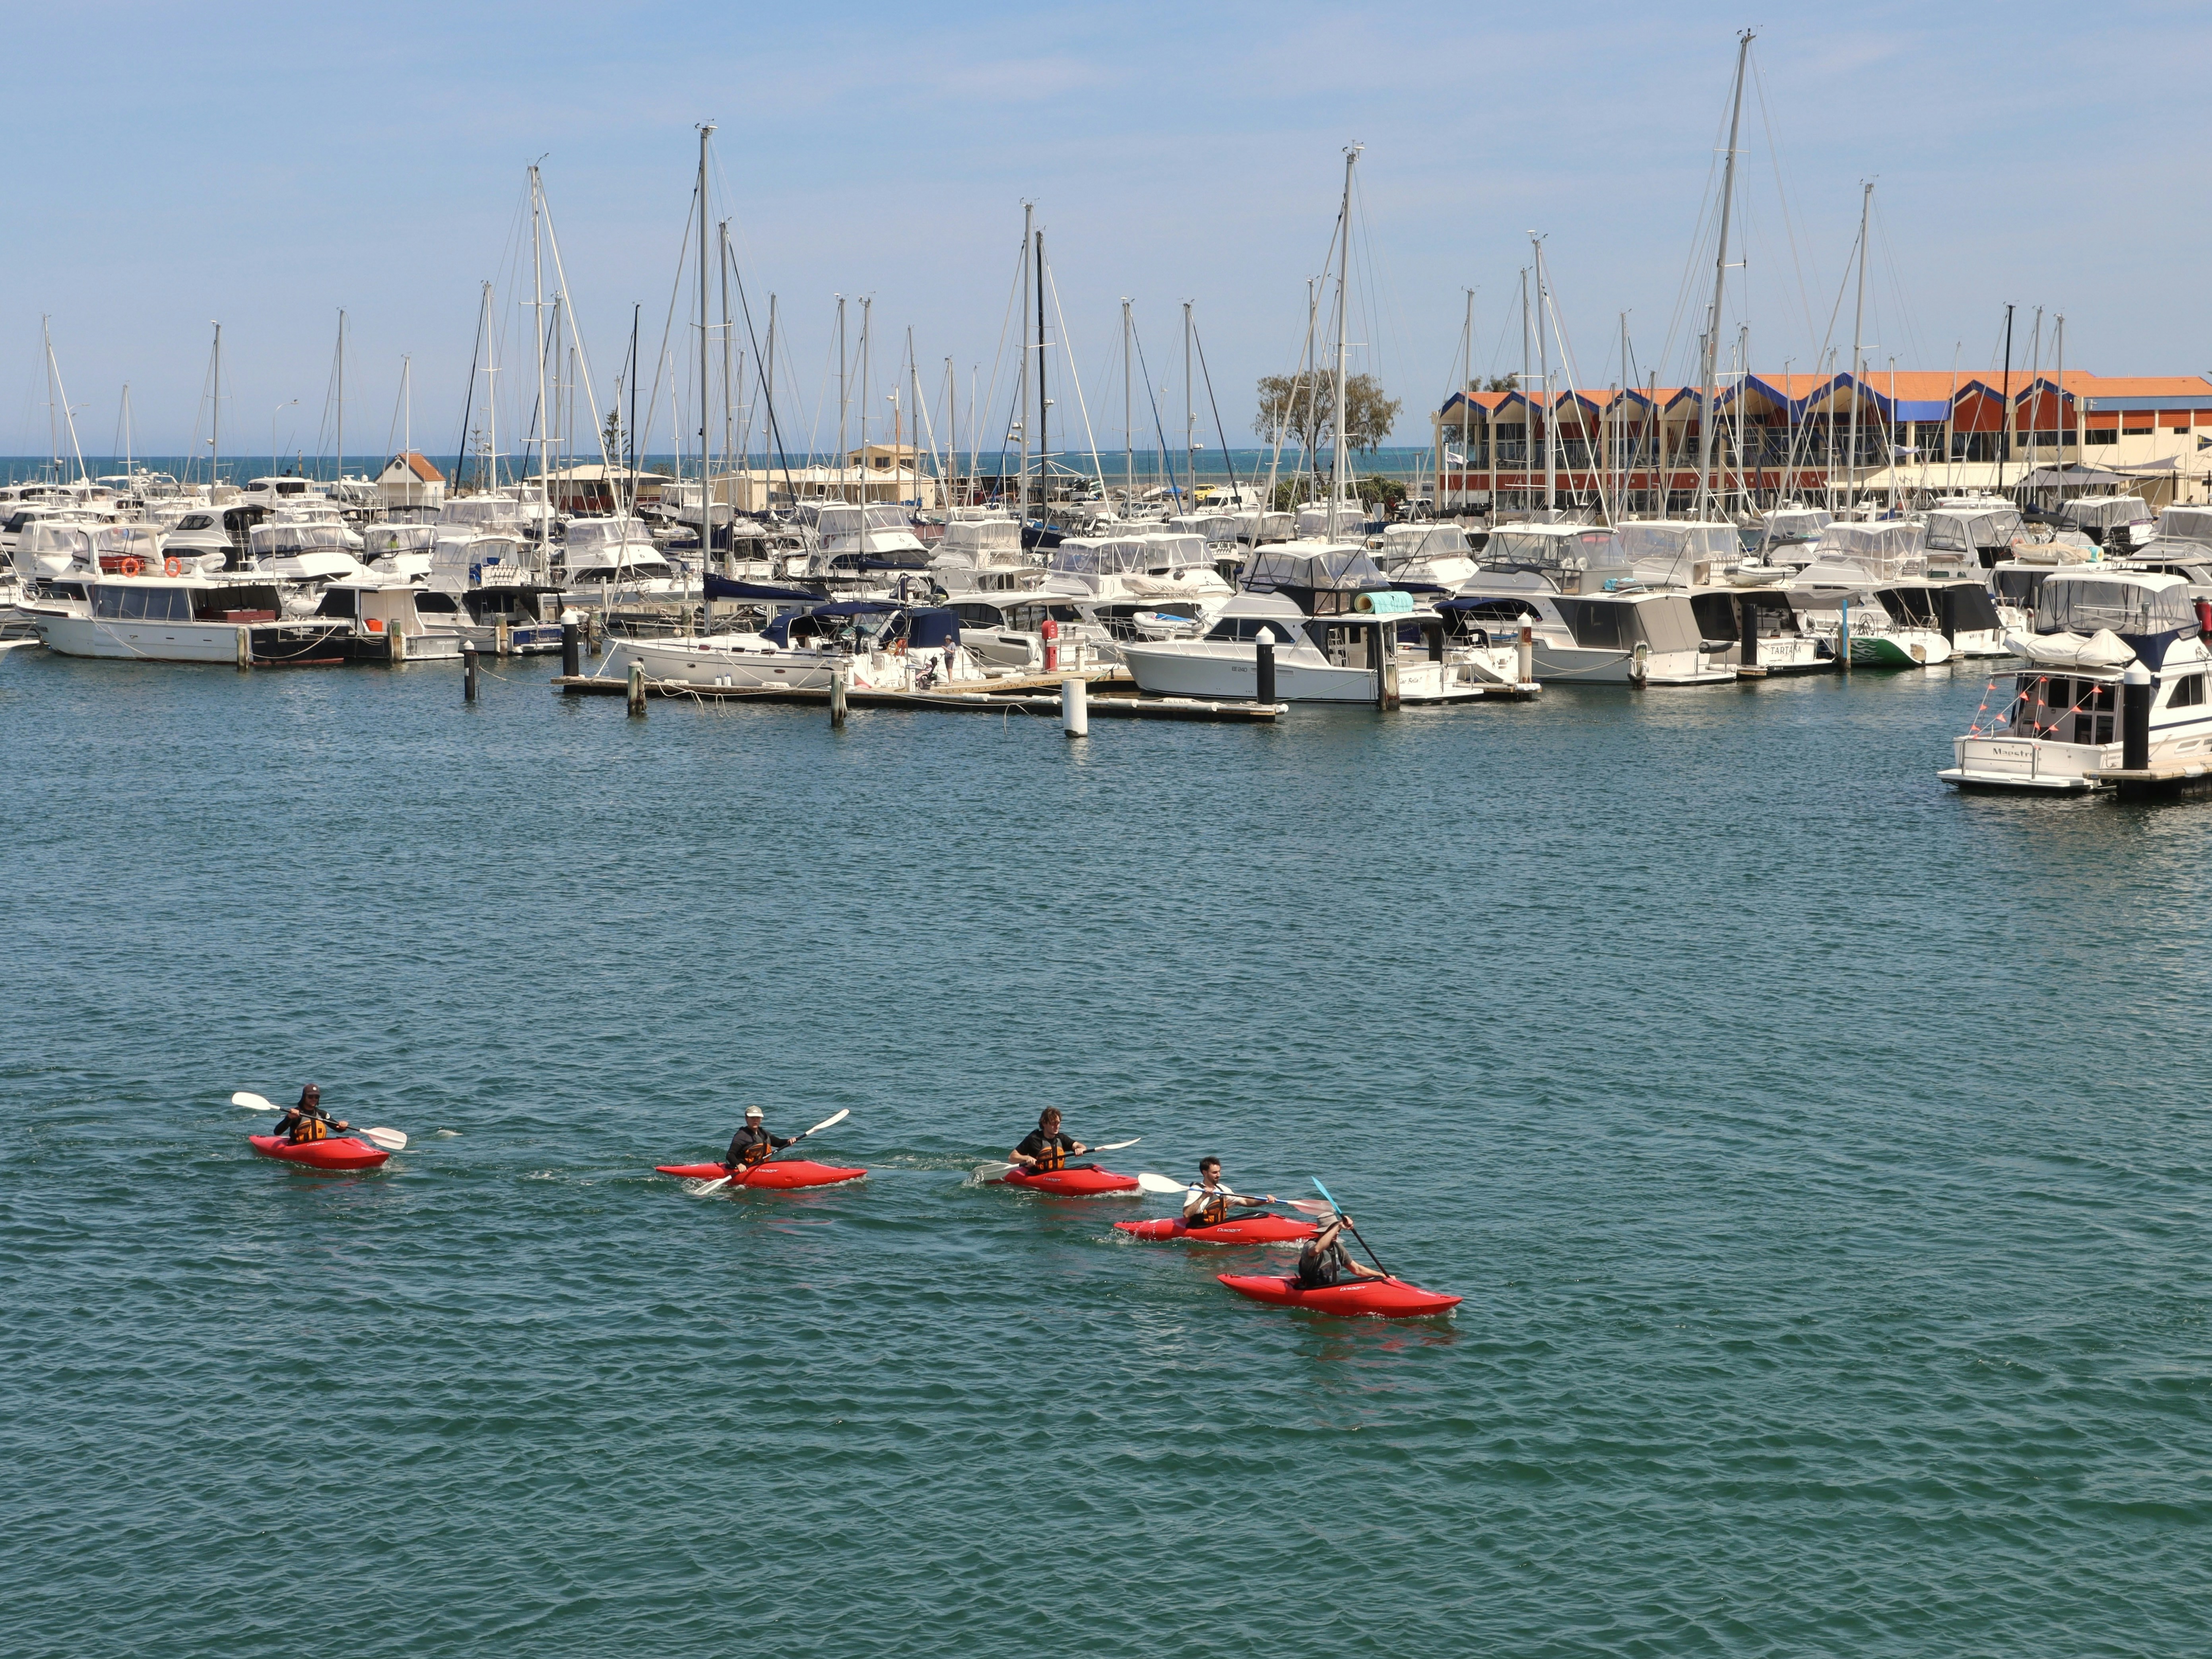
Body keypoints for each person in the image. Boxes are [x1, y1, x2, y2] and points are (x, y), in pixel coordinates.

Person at [1293, 1215, 1388, 1290]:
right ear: (1323, 1232)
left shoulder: (1338, 1248)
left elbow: (1357, 1269)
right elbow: (1317, 1250)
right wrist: (1338, 1225)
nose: (1338, 1233)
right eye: (1334, 1230)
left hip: (1331, 1290)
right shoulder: (1310, 1245)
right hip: (1311, 1289)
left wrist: (1383, 1276)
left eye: (1339, 1230)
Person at [1184, 1157, 1275, 1229]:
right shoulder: (1196, 1190)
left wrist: (1264, 1201)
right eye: (1215, 1173)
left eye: (1219, 1172)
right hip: (1199, 1227)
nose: (1219, 1175)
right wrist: (1203, 1197)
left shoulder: (1222, 1189)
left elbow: (1245, 1202)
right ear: (1205, 1173)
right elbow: (1187, 1214)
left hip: (1218, 1226)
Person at [1009, 1108, 1087, 1174]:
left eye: (1058, 1123)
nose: (1057, 1126)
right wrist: (1026, 1158)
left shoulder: (1061, 1138)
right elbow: (1012, 1157)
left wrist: (1081, 1149)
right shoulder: (1033, 1139)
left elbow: (1078, 1146)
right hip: (1037, 1175)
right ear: (1044, 1123)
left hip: (1058, 1175)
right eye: (1053, 1123)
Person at [724, 1105, 794, 1172]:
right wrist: (739, 1164)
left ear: (761, 1119)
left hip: (761, 1167)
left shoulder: (763, 1134)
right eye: (752, 1118)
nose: (755, 1120)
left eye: (758, 1118)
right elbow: (730, 1154)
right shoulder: (741, 1136)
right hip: (745, 1168)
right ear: (746, 1119)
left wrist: (789, 1141)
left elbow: (778, 1143)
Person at [273, 1085, 350, 1145]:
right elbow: (277, 1132)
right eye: (310, 1097)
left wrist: (343, 1126)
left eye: (316, 1097)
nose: (314, 1099)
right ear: (304, 1097)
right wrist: (289, 1118)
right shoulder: (296, 1114)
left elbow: (338, 1129)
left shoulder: (322, 1114)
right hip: (298, 1147)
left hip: (319, 1147)